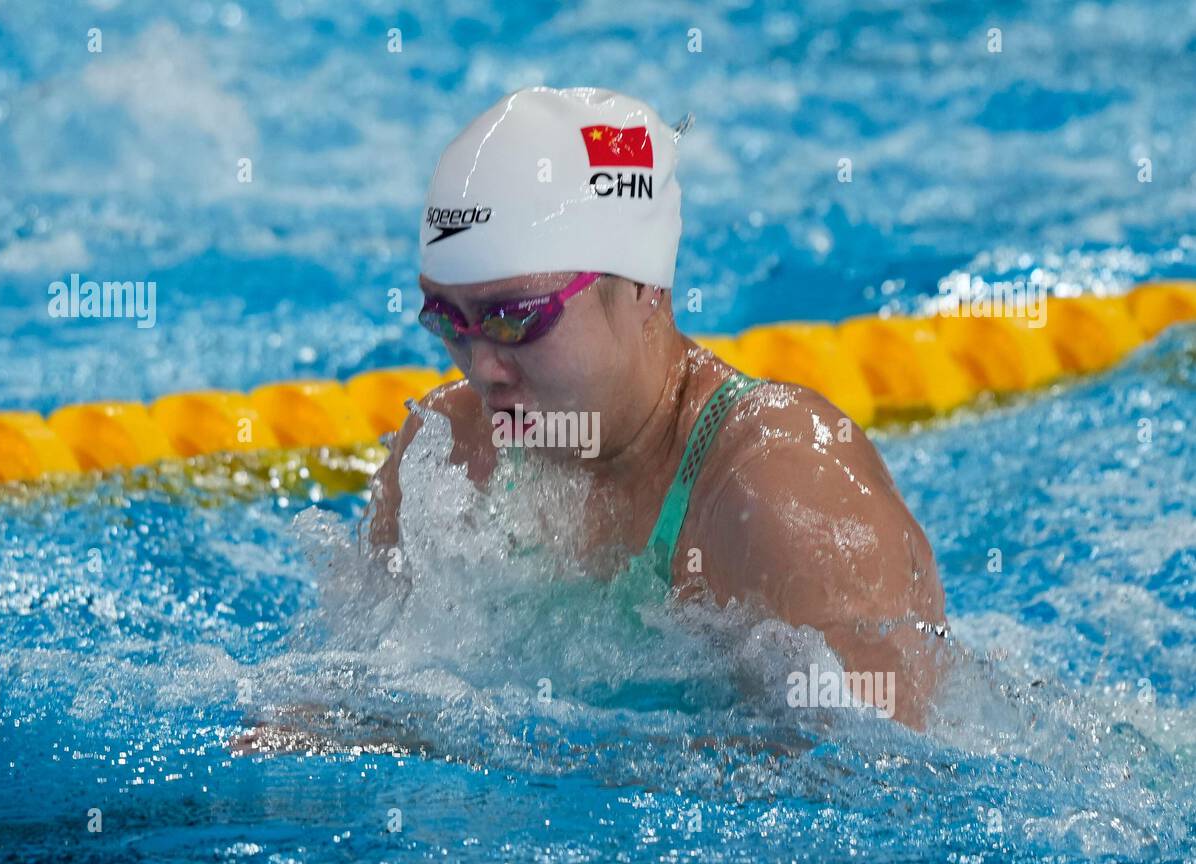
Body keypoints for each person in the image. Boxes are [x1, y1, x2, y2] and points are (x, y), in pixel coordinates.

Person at [365, 87, 949, 729]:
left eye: (513, 321)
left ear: (644, 285)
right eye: (447, 319)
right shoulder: (449, 453)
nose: (481, 368)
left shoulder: (784, 501)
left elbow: (889, 776)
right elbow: (355, 678)